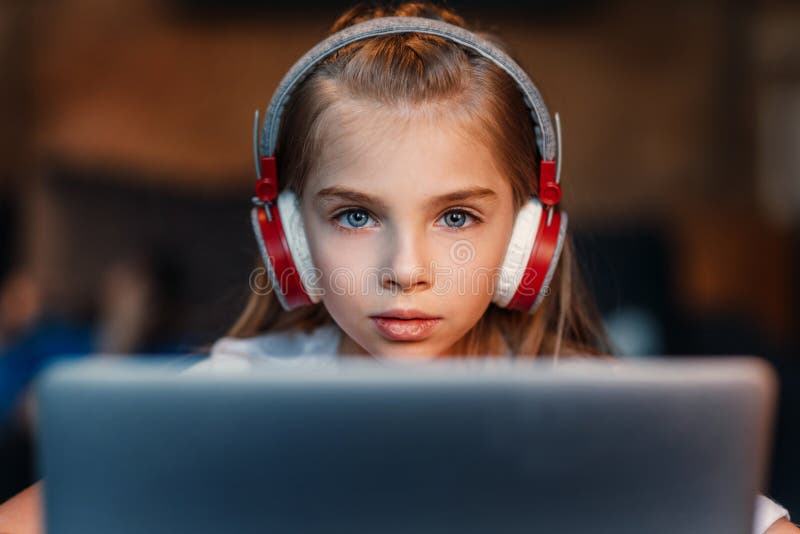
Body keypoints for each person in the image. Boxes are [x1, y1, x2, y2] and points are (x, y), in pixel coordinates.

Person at [0, 3, 795, 533]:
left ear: (528, 240)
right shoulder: (234, 399)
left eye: (456, 216)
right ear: (289, 239)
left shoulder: (611, 417)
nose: (404, 269)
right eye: (354, 216)